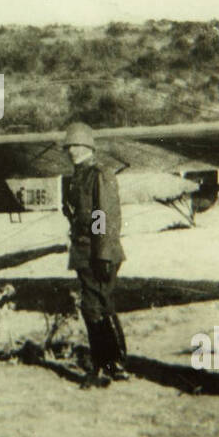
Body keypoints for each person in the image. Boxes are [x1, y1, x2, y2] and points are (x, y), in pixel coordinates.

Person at [60, 122, 128, 389]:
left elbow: (103, 216)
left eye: (77, 146)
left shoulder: (98, 174)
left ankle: (101, 368)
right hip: (85, 250)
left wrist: (101, 254)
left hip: (97, 251)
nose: (72, 151)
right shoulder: (79, 175)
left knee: (93, 308)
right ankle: (116, 364)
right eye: (69, 147)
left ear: (89, 147)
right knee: (101, 305)